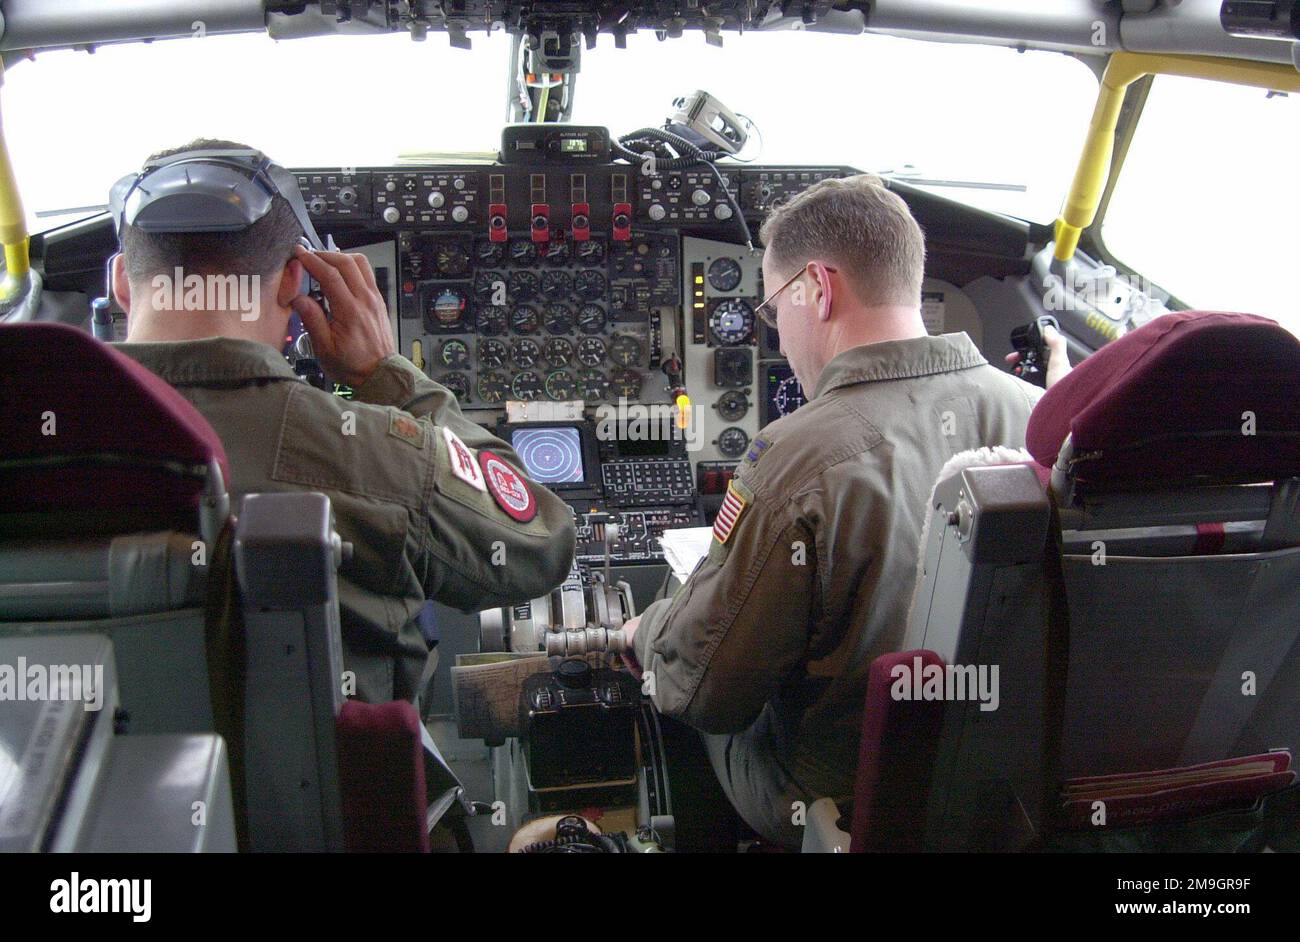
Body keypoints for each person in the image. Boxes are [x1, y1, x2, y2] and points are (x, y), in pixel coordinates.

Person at [622, 173, 1054, 848]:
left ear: (817, 290)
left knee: (672, 692)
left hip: (843, 797)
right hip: (1011, 782)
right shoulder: (1042, 419)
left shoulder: (795, 457)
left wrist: (644, 632)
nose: (777, 333)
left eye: (773, 309)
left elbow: (706, 691)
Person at [110, 140, 576, 704]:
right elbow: (540, 545)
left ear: (121, 284)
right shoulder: (384, 457)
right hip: (332, 792)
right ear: (293, 282)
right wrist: (388, 378)